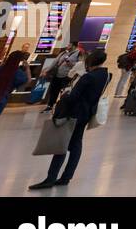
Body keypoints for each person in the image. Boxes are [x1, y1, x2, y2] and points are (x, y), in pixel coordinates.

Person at [29, 49, 111, 189]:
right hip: (86, 113)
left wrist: (65, 95)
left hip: (74, 113)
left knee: (62, 144)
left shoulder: (88, 77)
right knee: (76, 144)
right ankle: (66, 176)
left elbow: (73, 97)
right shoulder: (105, 75)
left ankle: (51, 178)